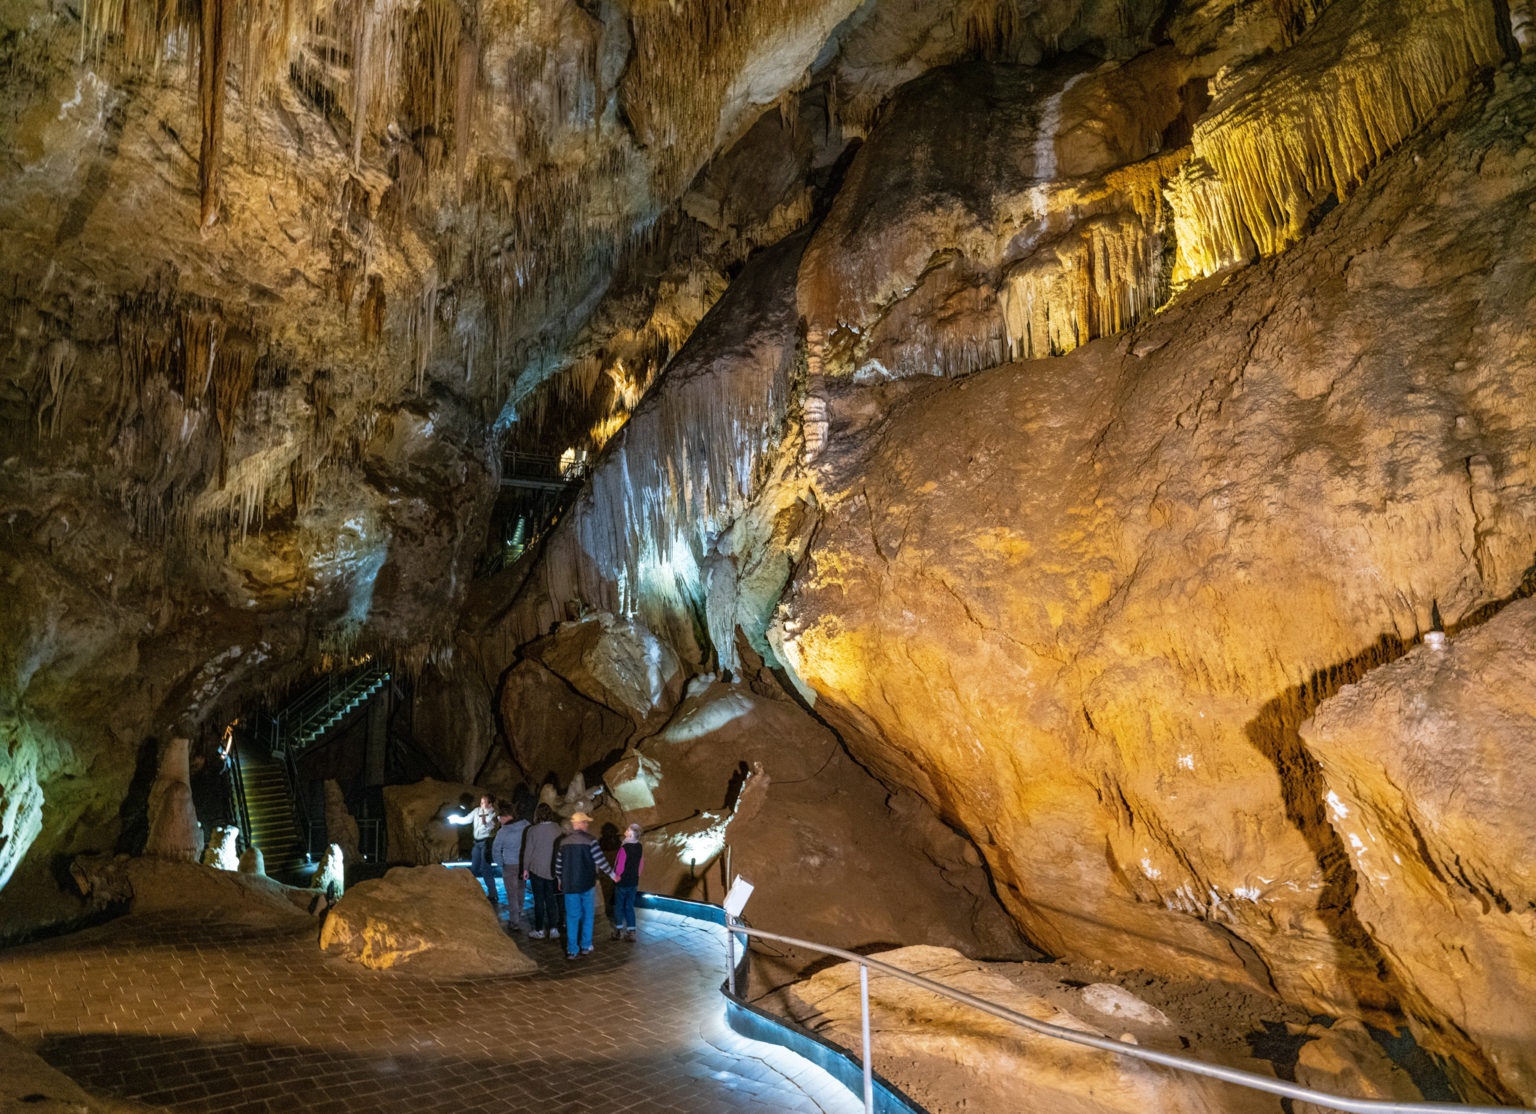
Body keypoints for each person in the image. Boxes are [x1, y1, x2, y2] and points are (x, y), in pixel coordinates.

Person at [554, 811, 611, 960]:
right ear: (581, 824)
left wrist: (560, 880)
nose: (587, 825)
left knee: (572, 917)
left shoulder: (563, 842)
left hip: (570, 885)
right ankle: (585, 945)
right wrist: (613, 875)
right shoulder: (590, 840)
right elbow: (601, 860)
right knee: (588, 915)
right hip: (587, 884)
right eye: (585, 822)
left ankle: (572, 950)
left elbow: (558, 865)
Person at [522, 803, 563, 940]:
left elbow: (528, 851)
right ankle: (553, 929)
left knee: (539, 900)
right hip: (552, 869)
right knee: (551, 899)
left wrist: (525, 868)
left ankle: (539, 930)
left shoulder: (532, 830)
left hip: (536, 868)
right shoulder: (557, 828)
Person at [450, 794, 499, 904]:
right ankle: (469, 891)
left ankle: (493, 894)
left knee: (486, 868)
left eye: (484, 802)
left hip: (486, 843)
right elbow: (466, 820)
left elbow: (492, 826)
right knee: (474, 867)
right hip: (477, 843)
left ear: (490, 804)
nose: (481, 804)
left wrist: (486, 822)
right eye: (481, 802)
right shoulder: (477, 811)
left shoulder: (493, 814)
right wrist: (456, 819)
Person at [492, 801, 530, 931]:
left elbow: (495, 850)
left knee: (511, 894)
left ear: (505, 817)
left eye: (500, 818)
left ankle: (514, 921)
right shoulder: (526, 825)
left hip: (509, 865)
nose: (499, 821)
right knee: (521, 889)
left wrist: (500, 863)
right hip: (523, 864)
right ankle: (520, 911)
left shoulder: (503, 832)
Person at [609, 823, 643, 942]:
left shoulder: (624, 848)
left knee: (619, 906)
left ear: (631, 834)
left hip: (622, 882)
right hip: (633, 881)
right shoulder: (639, 846)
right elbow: (641, 863)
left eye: (628, 830)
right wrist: (637, 875)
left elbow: (620, 866)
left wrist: (616, 876)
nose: (625, 831)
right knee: (629, 906)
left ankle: (619, 931)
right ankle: (631, 931)